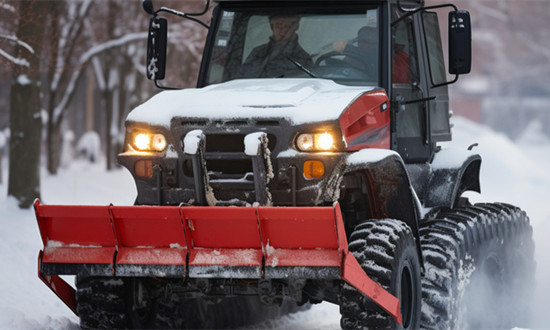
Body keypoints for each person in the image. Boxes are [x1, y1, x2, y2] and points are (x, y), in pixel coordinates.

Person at [241, 15, 313, 78]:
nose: (282, 30)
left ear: (294, 28)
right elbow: (244, 75)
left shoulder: (303, 58)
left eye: (287, 27)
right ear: (272, 27)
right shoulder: (257, 53)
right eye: (278, 25)